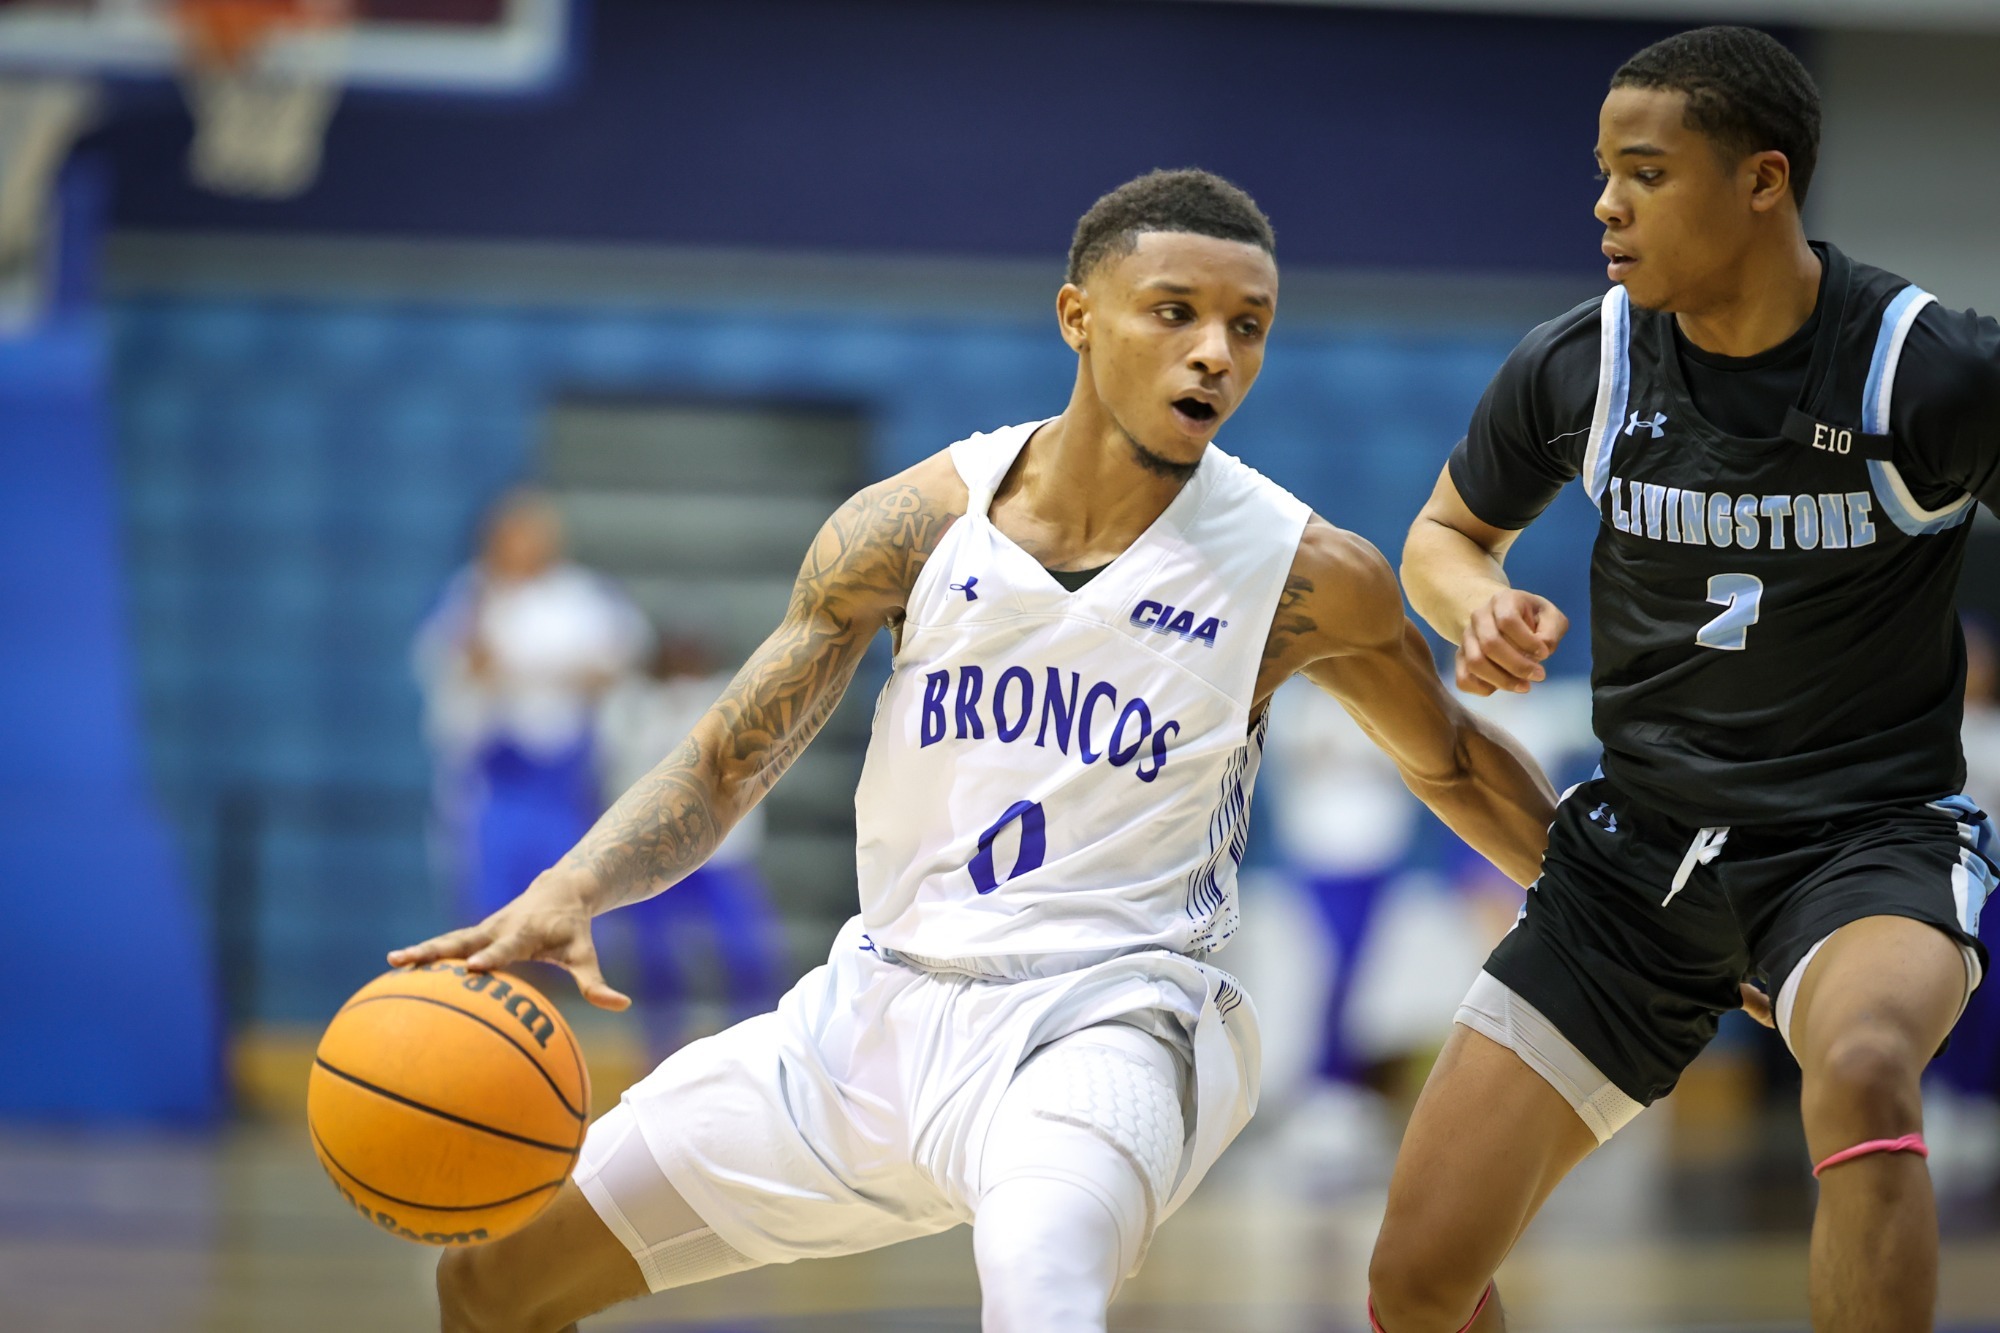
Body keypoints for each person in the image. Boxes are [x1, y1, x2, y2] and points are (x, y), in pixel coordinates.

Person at [392, 168, 1556, 1333]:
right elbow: (725, 759)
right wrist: (576, 883)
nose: (1214, 352)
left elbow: (1448, 761)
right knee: (491, 1281)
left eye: (1245, 327)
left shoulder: (1303, 571)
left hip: (1111, 1019)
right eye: (1174, 311)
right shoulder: (911, 526)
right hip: (874, 1011)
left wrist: (1636, 922)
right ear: (1076, 316)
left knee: (1042, 1294)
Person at [1376, 27, 1996, 1333]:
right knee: (1417, 1281)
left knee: (1871, 1065)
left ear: (1762, 181)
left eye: (1644, 172)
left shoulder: (1924, 368)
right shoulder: (1582, 362)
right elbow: (1439, 538)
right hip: (1639, 858)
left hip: (1861, 841)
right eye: (1604, 170)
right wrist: (1475, 600)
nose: (1605, 202)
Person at [414, 490, 649, 924]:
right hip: (496, 778)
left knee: (560, 910)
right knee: (492, 911)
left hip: (564, 780)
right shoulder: (469, 595)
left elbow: (613, 665)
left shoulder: (584, 597)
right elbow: (459, 666)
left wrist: (522, 673)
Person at [594, 635, 784, 1056]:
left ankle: (756, 1050)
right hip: (657, 853)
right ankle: (659, 1052)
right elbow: (619, 768)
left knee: (749, 953)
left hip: (723, 855)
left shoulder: (732, 697)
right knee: (656, 960)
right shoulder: (631, 706)